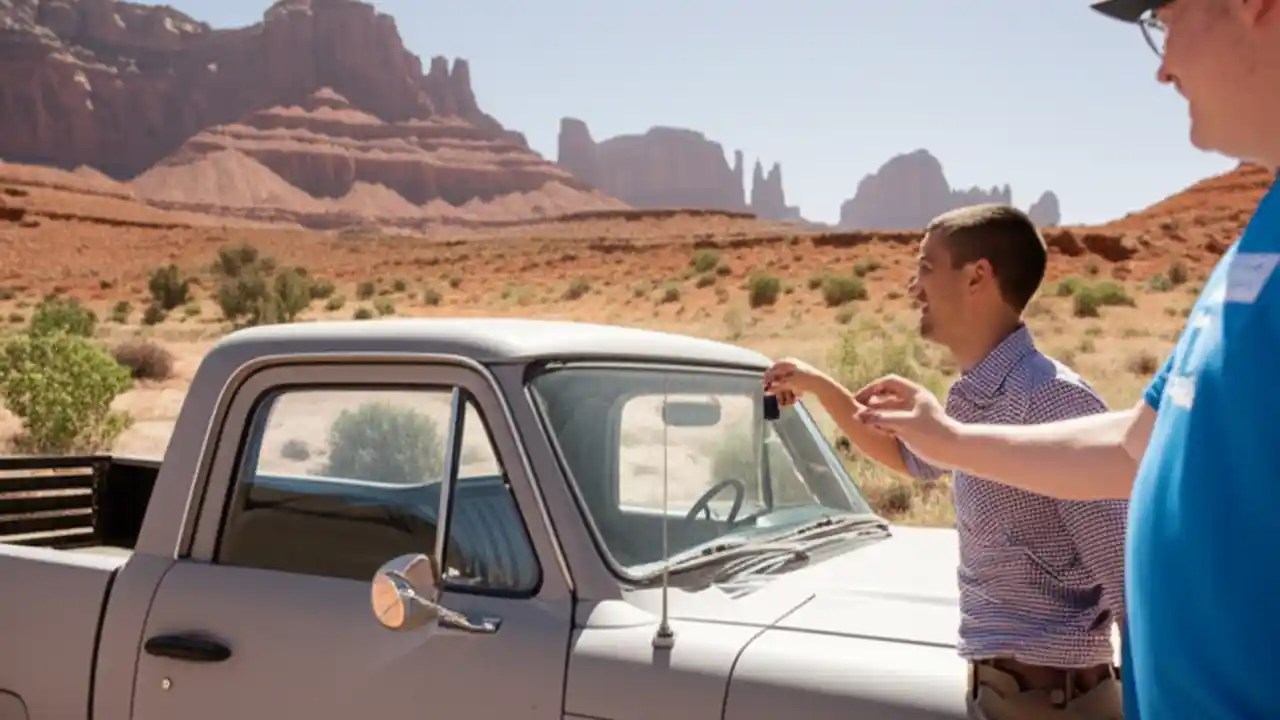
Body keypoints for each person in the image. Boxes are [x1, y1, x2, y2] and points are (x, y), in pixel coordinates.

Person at [847, 1, 1280, 718]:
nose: (1163, 66)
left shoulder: (1050, 387)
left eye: (1167, 18)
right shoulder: (1255, 240)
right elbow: (1133, 446)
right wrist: (950, 440)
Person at [764, 204, 1128, 719]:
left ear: (978, 276)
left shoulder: (1052, 400)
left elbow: (1127, 576)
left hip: (1055, 702)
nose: (914, 287)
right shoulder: (967, 397)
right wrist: (820, 385)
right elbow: (908, 457)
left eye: (926, 268)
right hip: (1003, 692)